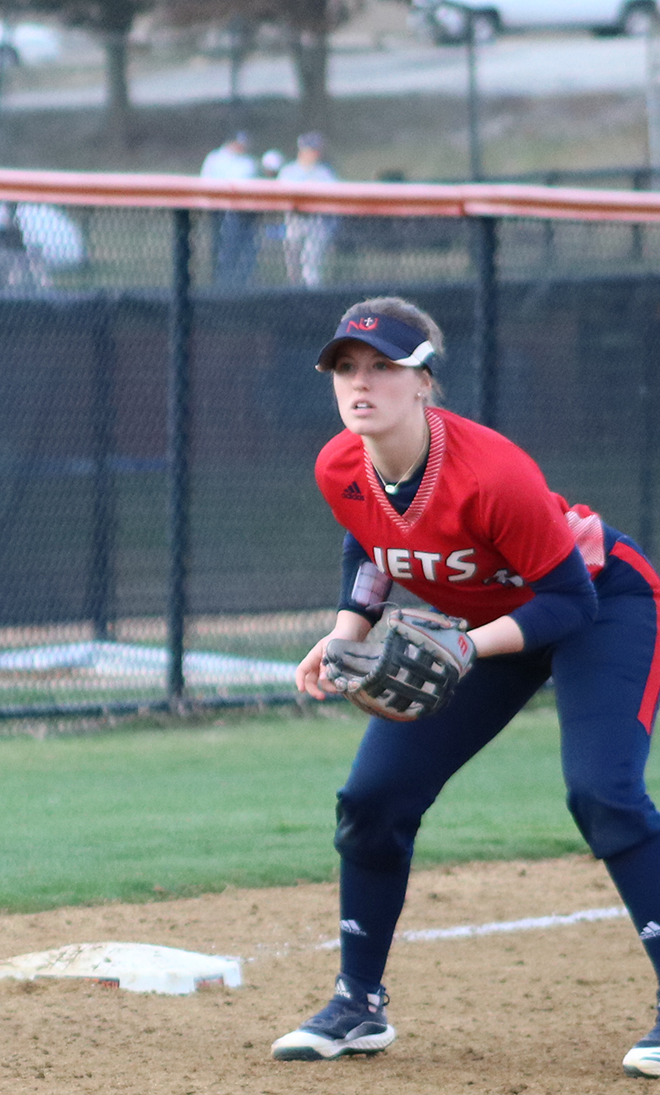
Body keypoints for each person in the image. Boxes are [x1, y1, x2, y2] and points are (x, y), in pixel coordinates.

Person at [275, 297, 660, 1077]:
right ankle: (357, 1002)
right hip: (488, 626)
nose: (361, 382)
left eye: (383, 366)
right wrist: (347, 630)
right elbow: (370, 541)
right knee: (374, 797)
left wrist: (463, 645)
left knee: (603, 792)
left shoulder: (491, 473)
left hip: (600, 604)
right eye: (346, 367)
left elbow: (569, 601)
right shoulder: (339, 465)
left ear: (424, 382)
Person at [200, 130, 262, 288]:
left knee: (247, 248)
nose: (241, 147)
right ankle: (223, 283)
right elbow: (206, 182)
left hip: (247, 211)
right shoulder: (215, 158)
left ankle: (244, 283)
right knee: (225, 248)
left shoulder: (248, 161)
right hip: (222, 211)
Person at [277, 132, 338, 287]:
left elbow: (333, 197)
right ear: (302, 150)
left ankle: (312, 294)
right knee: (293, 264)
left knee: (311, 263)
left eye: (316, 150)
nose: (315, 153)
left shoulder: (324, 172)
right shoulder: (288, 171)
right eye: (311, 149)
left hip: (317, 221)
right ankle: (294, 292)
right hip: (294, 220)